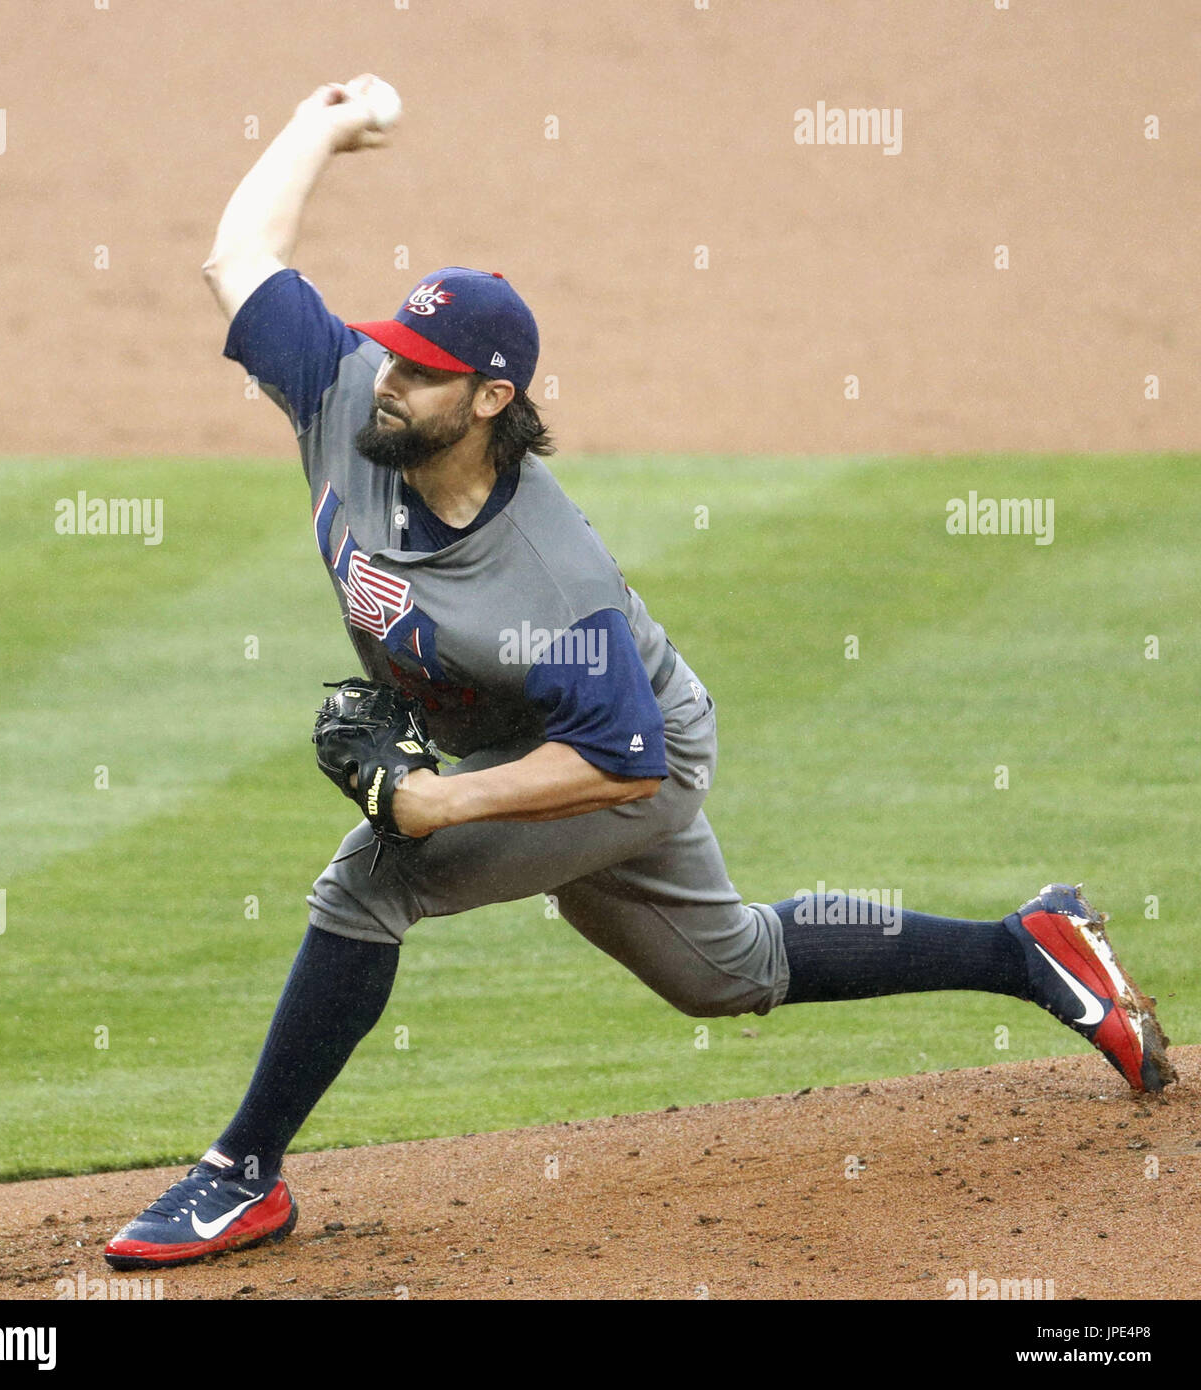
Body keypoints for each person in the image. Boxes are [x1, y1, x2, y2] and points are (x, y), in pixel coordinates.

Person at [104, 80, 1174, 1271]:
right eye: (392, 354)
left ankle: (241, 1176)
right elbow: (238, 254)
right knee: (729, 975)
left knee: (369, 883)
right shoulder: (342, 391)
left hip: (625, 760)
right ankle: (1027, 946)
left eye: (420, 370)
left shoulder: (552, 579)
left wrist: (433, 802)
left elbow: (623, 759)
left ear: (490, 399)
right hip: (564, 748)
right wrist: (324, 123)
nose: (387, 379)